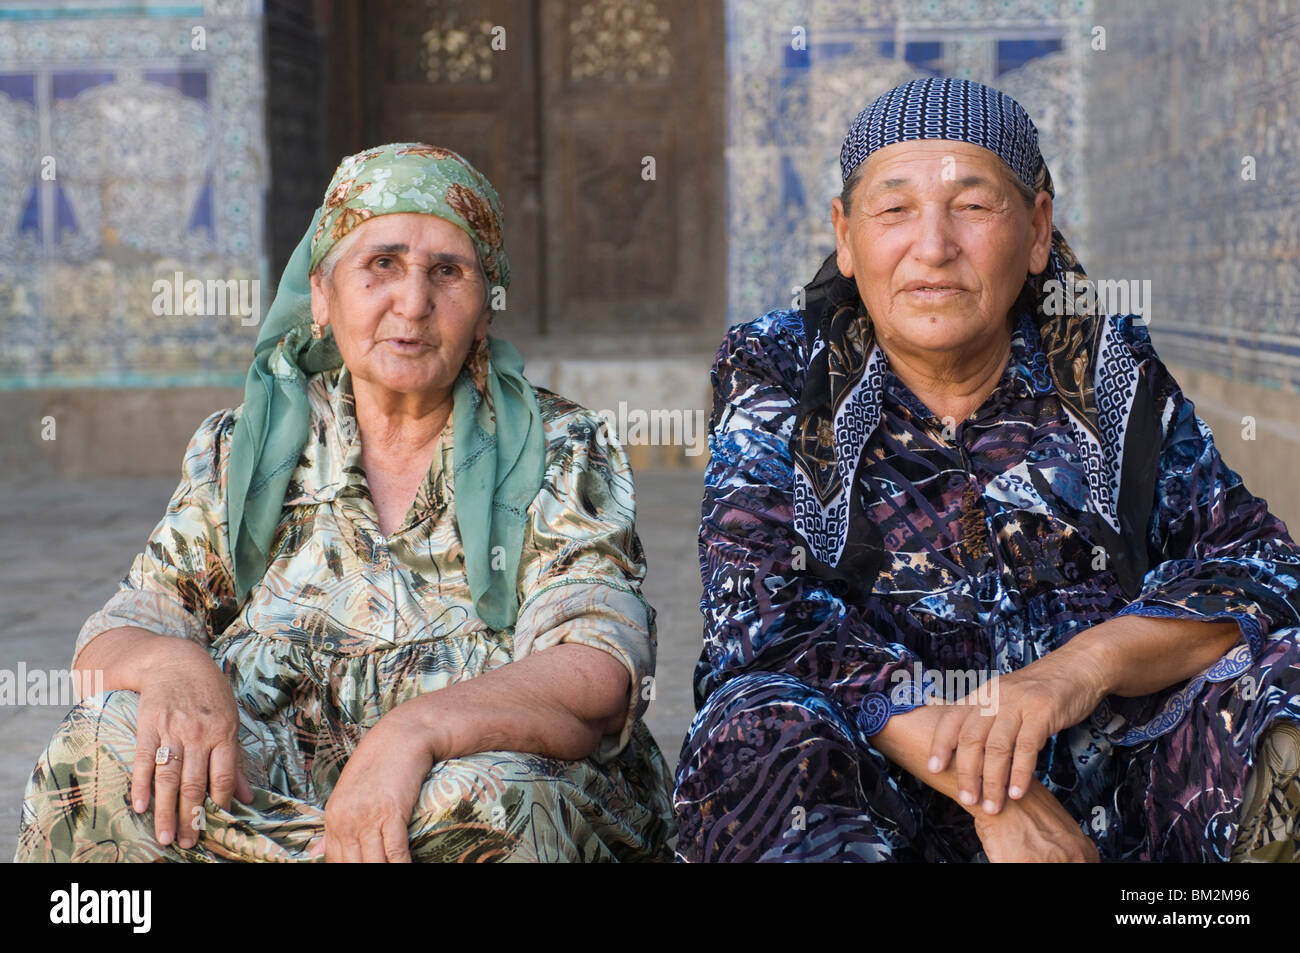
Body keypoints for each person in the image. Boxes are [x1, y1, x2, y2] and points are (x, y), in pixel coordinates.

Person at [673, 78, 1300, 862]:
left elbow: (1258, 567)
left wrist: (1075, 670)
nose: (932, 246)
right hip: (886, 792)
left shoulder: (1105, 374)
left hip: (1116, 805)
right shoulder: (780, 373)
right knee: (754, 728)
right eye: (894, 209)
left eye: (972, 205)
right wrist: (990, 788)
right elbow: (760, 620)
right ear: (845, 233)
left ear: (1037, 229)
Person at [16, 142, 674, 862]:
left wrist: (416, 732)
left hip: (453, 792)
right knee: (102, 742)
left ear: (484, 312)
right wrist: (174, 667)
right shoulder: (247, 447)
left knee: (495, 799)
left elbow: (599, 670)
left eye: (447, 273)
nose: (414, 302)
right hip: (265, 795)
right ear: (323, 297)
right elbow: (115, 636)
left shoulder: (555, 447)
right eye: (382, 265)